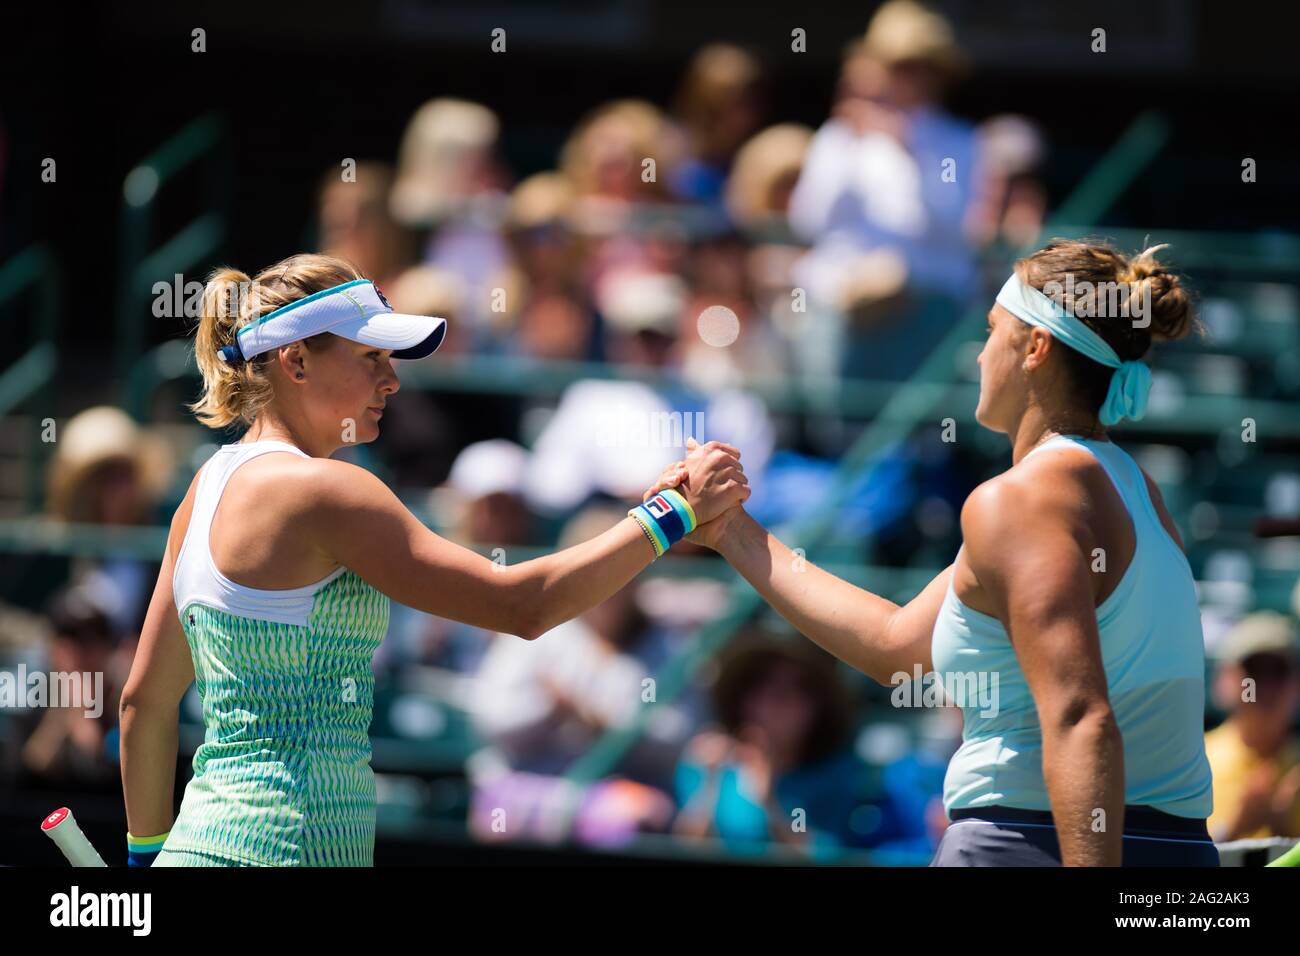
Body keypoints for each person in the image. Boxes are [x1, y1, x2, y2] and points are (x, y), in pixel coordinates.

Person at [117, 252, 749, 867]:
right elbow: (524, 606)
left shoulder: (204, 489)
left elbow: (142, 705)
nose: (391, 381)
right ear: (296, 361)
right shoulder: (329, 489)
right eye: (371, 359)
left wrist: (145, 859)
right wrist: (676, 516)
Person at [648, 239, 1220, 866]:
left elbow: (1082, 717)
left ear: (1035, 348)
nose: (978, 353)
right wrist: (731, 532)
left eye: (991, 331)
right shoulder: (1139, 492)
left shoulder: (1023, 501)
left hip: (1031, 847)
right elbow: (899, 649)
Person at [1205, 611, 1300, 841]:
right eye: (1254, 671)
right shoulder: (1195, 761)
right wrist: (1234, 830)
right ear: (1225, 681)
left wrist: (1282, 826)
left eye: (1278, 671)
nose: (1266, 688)